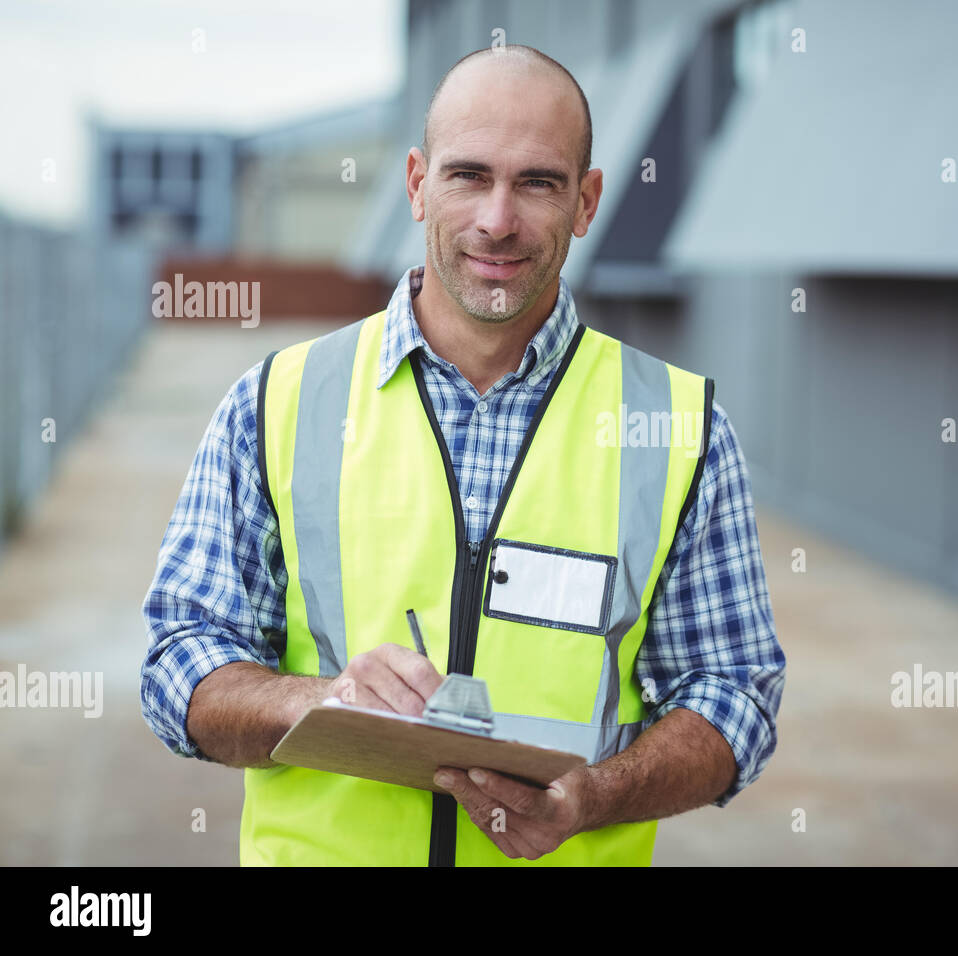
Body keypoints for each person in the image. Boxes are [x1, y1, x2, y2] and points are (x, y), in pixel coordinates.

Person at [140, 43, 785, 866]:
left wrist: (599, 796)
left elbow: (736, 694)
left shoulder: (678, 428)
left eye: (539, 182)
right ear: (417, 184)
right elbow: (178, 666)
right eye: (469, 175)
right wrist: (321, 700)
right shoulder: (277, 402)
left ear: (587, 201)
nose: (497, 219)